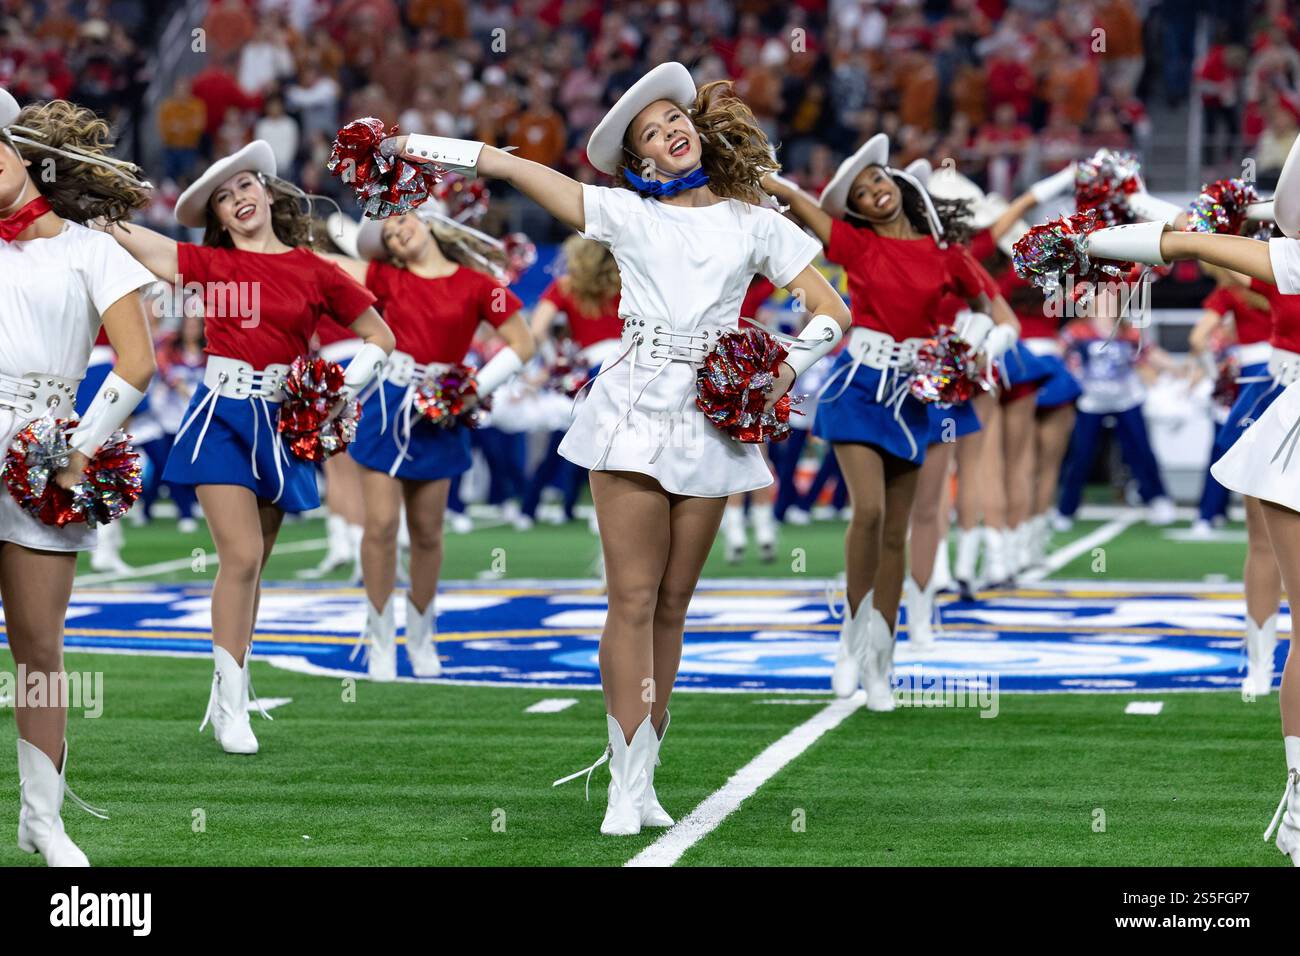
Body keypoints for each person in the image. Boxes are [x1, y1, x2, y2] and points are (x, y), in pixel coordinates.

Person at [379, 61, 850, 834]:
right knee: (631, 598)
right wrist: (407, 142)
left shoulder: (755, 221)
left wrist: (781, 371)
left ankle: (646, 771)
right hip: (633, 406)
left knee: (672, 604)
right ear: (639, 162)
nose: (673, 134)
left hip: (714, 416)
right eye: (653, 135)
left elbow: (833, 310)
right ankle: (624, 776)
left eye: (677, 122)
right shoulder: (623, 213)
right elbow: (506, 163)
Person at [102, 140, 395, 754]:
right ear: (217, 215)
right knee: (237, 557)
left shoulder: (316, 270)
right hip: (221, 417)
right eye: (223, 197)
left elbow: (380, 336)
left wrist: (339, 392)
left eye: (245, 187)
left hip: (284, 424)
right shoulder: (209, 264)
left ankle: (231, 684)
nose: (238, 200)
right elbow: (138, 241)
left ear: (267, 192)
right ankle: (232, 706)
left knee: (255, 564)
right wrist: (86, 204)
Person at [762, 133, 1020, 709]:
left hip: (915, 397)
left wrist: (987, 341)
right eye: (860, 191)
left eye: (878, 179)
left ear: (899, 185)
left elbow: (1001, 317)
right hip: (856, 387)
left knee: (897, 534)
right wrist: (749, 169)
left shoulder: (948, 253)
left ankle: (883, 656)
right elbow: (794, 197)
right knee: (871, 513)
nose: (874, 191)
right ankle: (849, 643)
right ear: (852, 208)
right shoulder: (853, 244)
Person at [0, 89, 158, 865]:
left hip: (46, 449)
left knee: (38, 647)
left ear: (28, 155)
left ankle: (43, 820)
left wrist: (79, 449)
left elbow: (138, 363)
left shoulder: (92, 250)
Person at [319, 202, 532, 680]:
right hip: (387, 405)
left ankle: (421, 636)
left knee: (429, 533)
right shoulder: (384, 277)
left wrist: (472, 389)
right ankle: (378, 640)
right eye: (390, 234)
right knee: (379, 527)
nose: (398, 233)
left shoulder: (480, 286)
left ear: (429, 221)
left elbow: (523, 343)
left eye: (403, 221)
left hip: (442, 413)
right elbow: (324, 263)